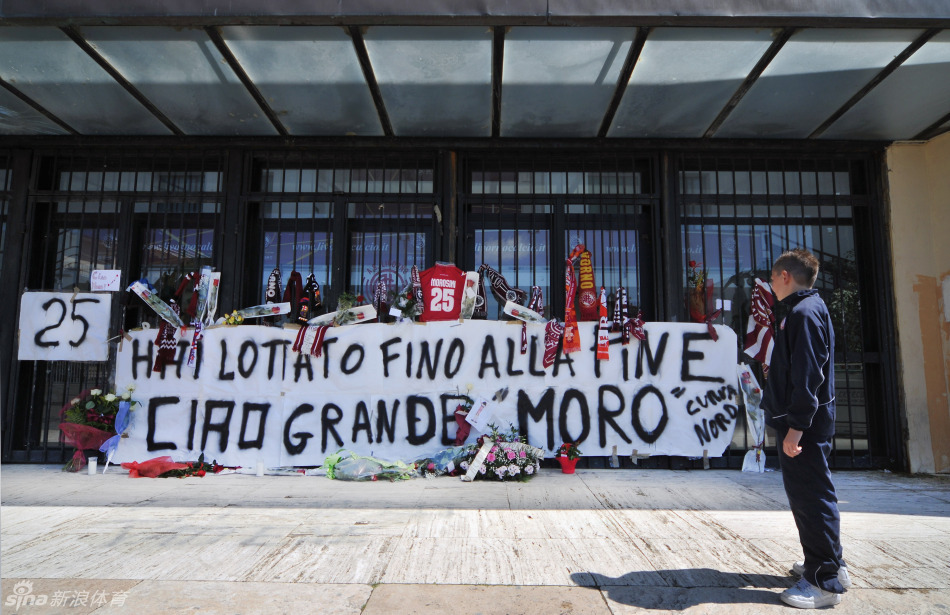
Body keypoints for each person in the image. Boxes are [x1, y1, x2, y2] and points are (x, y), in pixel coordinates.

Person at [763, 248, 851, 609]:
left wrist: (797, 427)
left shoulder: (803, 313)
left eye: (772, 278)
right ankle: (827, 564)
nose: (771, 285)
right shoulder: (806, 310)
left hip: (805, 428)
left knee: (813, 499)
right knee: (808, 498)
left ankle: (824, 581)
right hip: (802, 425)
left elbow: (809, 375)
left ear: (785, 276)